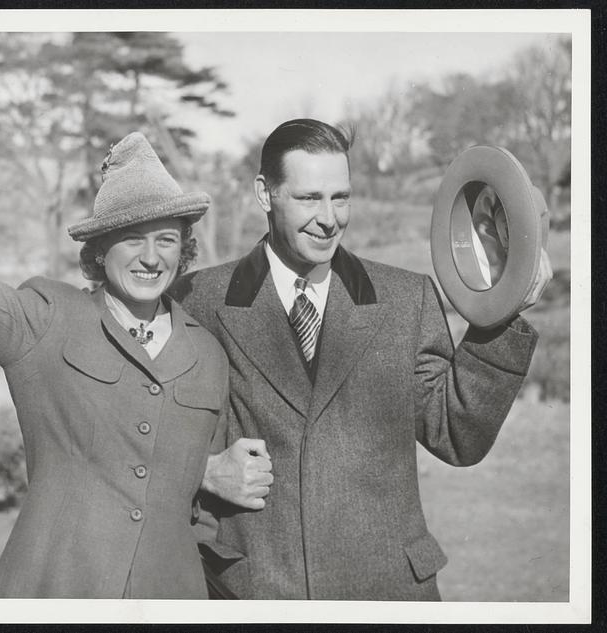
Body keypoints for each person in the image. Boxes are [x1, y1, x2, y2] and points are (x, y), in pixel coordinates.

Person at [0, 41, 265, 599]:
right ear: (98, 251)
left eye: (167, 240)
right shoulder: (44, 321)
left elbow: (200, 509)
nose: (152, 257)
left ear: (185, 250)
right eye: (131, 240)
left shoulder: (208, 356)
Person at [176, 118, 553, 600]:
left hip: (388, 593)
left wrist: (500, 318)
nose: (329, 218)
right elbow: (143, 436)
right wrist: (204, 471)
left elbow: (457, 436)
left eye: (341, 197)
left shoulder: (405, 297)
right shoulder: (198, 300)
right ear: (264, 193)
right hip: (257, 591)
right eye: (309, 198)